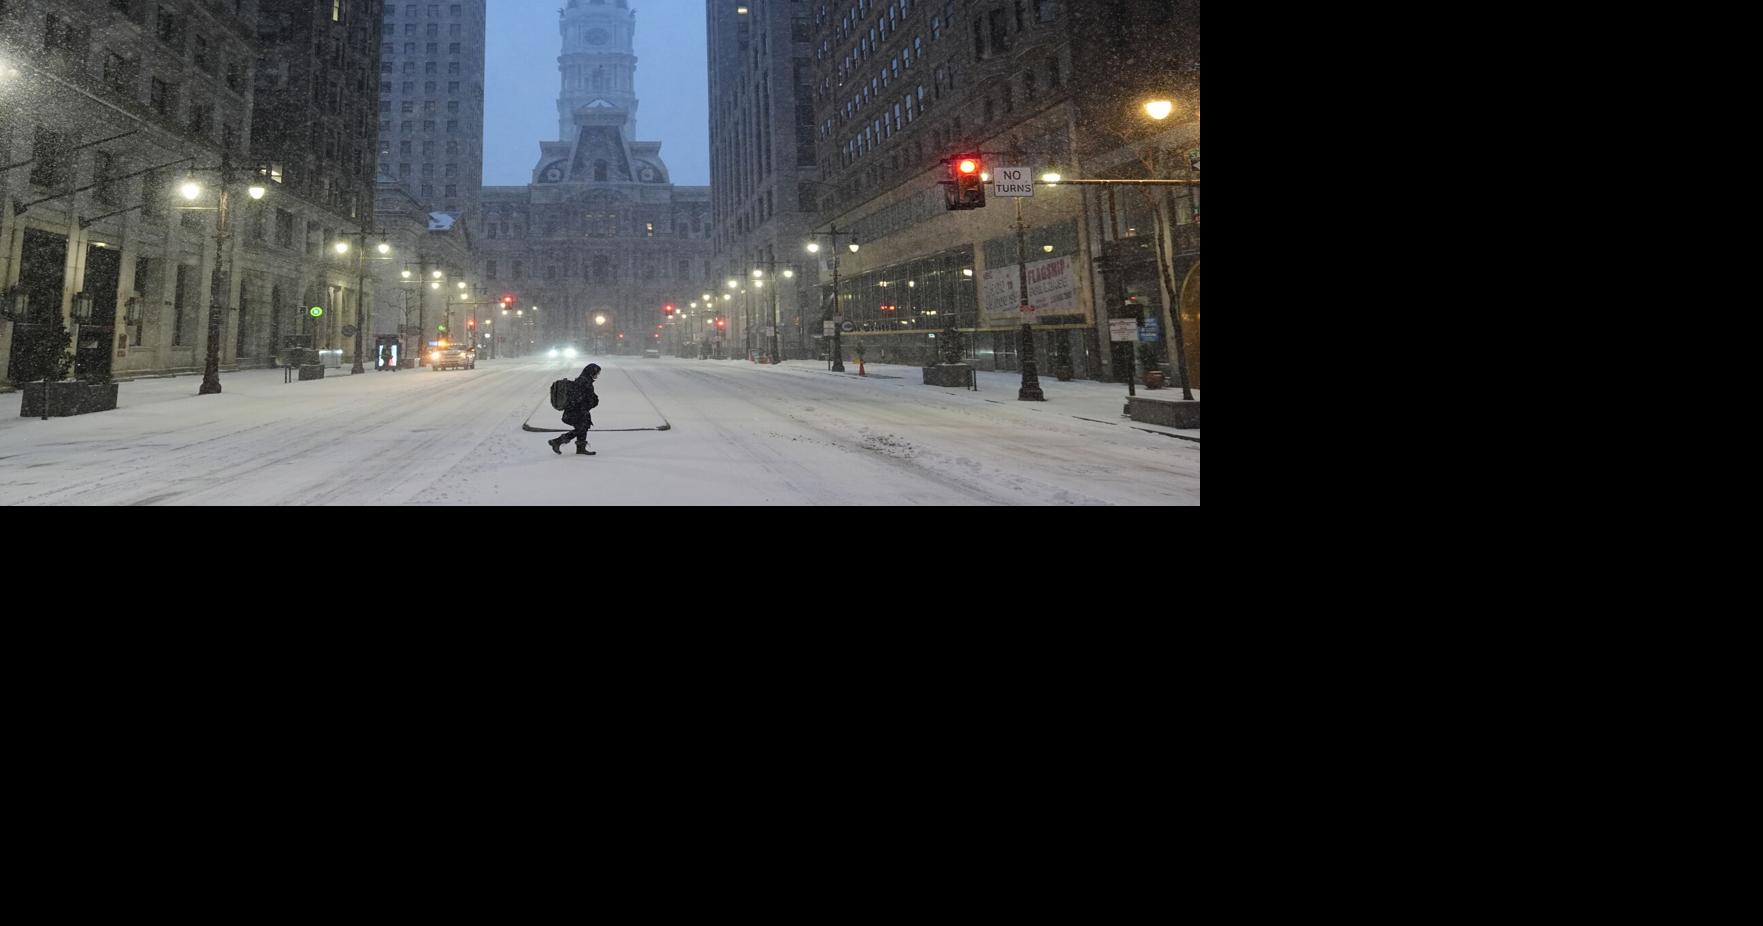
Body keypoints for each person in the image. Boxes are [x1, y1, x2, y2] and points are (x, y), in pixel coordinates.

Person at [548, 363, 600, 455]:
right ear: (591, 372)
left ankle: (580, 448)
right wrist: (592, 401)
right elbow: (579, 398)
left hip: (577, 411)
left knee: (583, 427)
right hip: (577, 411)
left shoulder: (583, 380)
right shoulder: (584, 382)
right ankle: (557, 441)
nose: (597, 376)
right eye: (596, 373)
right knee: (582, 428)